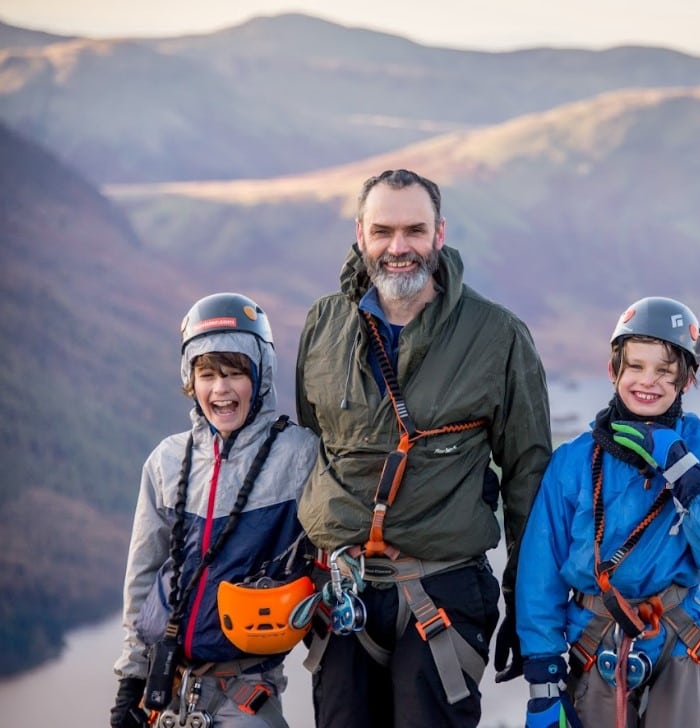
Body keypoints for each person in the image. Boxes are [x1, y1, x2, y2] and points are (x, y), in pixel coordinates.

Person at [294, 168, 553, 727]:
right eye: (383, 231)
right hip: (343, 593)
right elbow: (315, 441)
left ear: (440, 233)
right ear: (360, 234)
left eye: (414, 230)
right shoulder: (323, 325)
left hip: (444, 588)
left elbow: (528, 476)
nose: (398, 247)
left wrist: (528, 609)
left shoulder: (497, 335)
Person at [516, 296, 700, 728]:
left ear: (687, 380)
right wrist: (543, 675)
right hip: (595, 643)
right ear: (613, 371)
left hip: (677, 642)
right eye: (635, 366)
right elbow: (541, 570)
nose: (648, 381)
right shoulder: (575, 463)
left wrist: (683, 472)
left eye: (665, 370)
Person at [110, 292, 319, 728]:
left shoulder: (299, 456)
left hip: (247, 690)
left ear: (260, 376)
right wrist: (131, 678)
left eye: (235, 373)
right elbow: (143, 575)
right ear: (190, 380)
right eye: (206, 374)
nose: (220, 388)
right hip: (166, 689)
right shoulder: (167, 461)